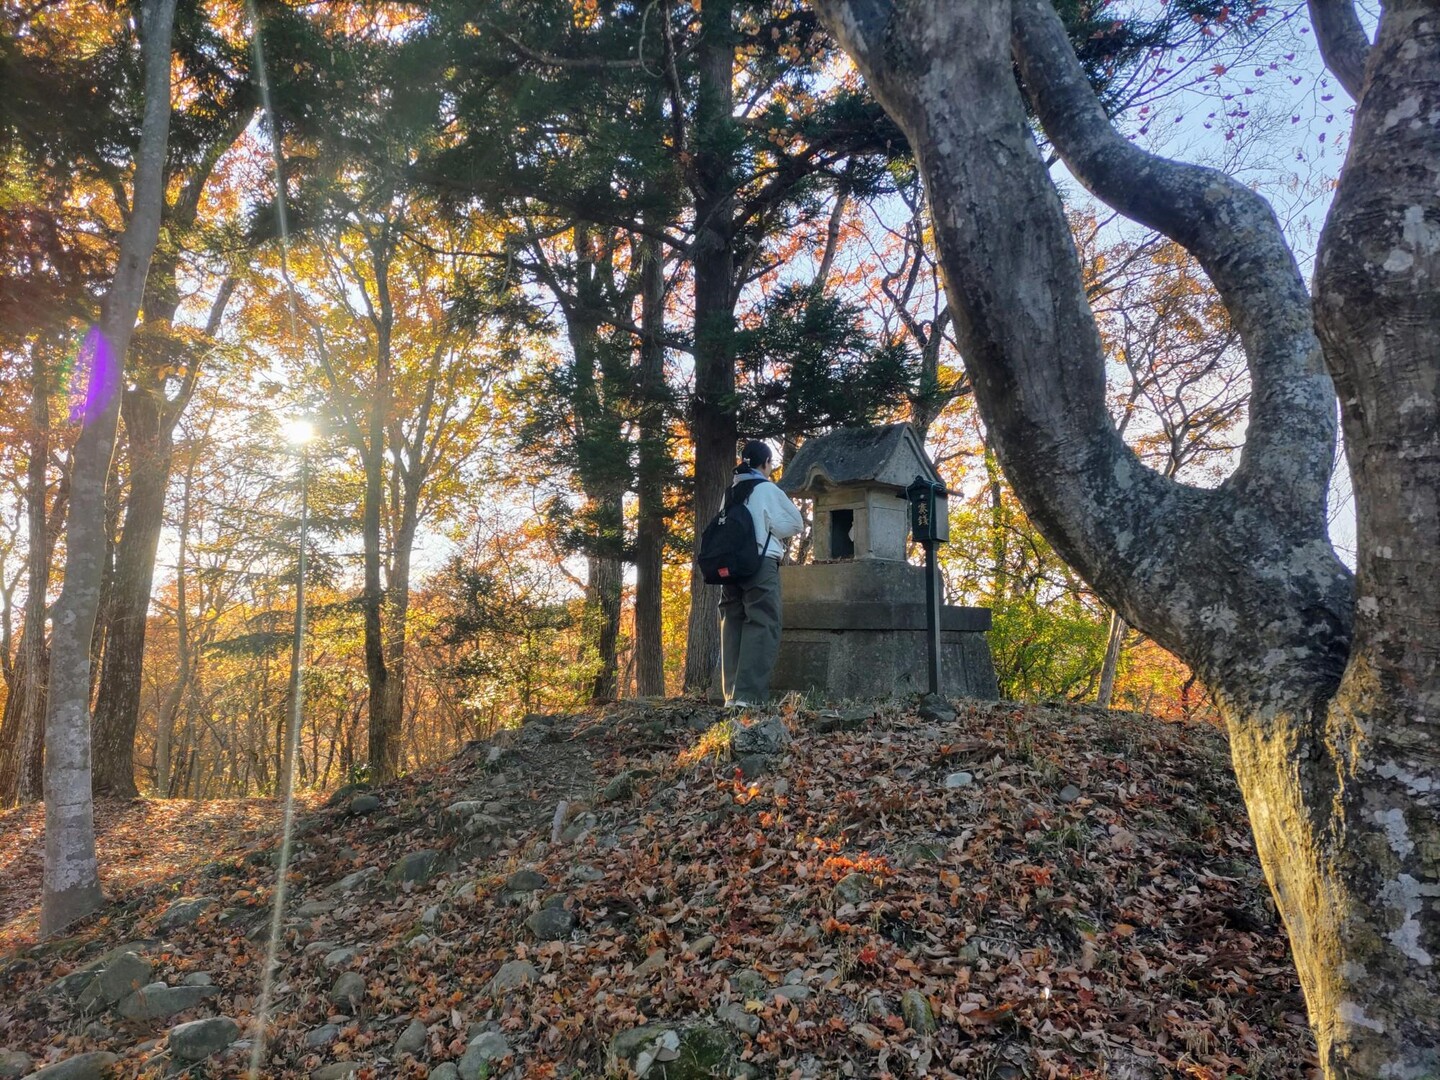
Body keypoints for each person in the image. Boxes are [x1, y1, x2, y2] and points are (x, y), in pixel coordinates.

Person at [719, 440, 803, 708]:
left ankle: (731, 694)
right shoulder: (767, 489)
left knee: (732, 621)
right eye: (770, 464)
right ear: (765, 463)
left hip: (729, 566)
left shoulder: (730, 491)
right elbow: (795, 523)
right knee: (763, 621)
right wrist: (770, 527)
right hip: (760, 563)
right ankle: (748, 696)